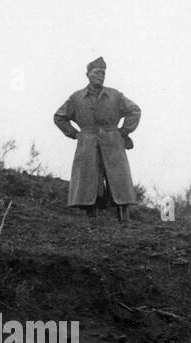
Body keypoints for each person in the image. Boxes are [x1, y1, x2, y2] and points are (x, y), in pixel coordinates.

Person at [53, 56, 140, 222]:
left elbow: (135, 110)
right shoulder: (76, 97)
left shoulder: (115, 95)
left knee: (119, 177)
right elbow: (59, 117)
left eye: (103, 72)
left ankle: (124, 216)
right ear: (88, 74)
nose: (101, 75)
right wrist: (75, 133)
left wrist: (124, 131)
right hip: (87, 141)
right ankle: (91, 216)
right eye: (97, 72)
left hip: (112, 139)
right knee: (88, 176)